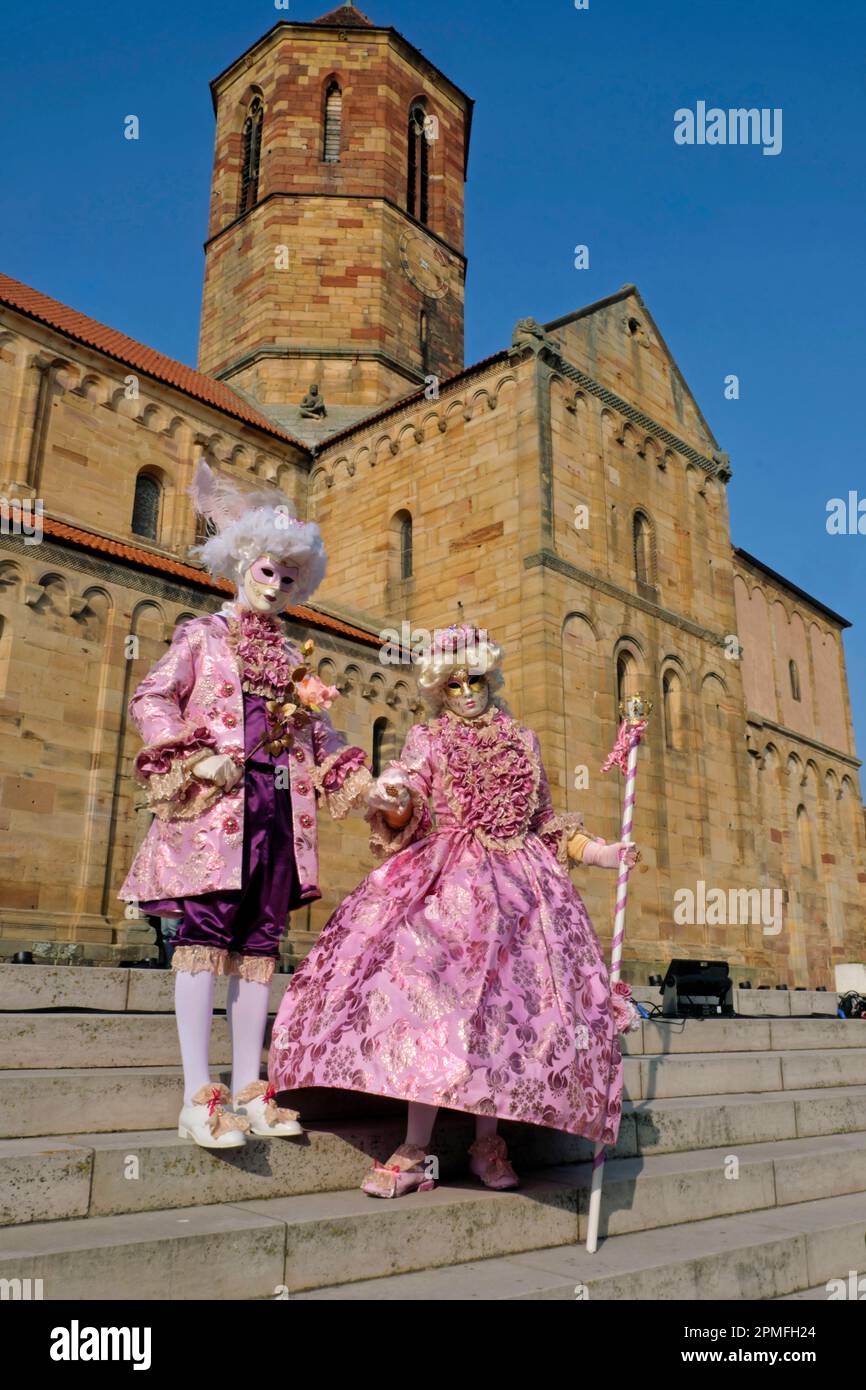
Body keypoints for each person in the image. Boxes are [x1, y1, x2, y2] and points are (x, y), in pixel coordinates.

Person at [268, 625, 640, 1196]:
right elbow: (408, 796)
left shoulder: (524, 739)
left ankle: (487, 1143)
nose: (467, 692)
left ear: (491, 678)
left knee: (500, 1011)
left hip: (522, 895)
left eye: (476, 680)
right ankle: (416, 1148)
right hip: (447, 888)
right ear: (441, 688)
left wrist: (601, 852)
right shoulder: (427, 738)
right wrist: (393, 797)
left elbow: (544, 822)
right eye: (454, 683)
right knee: (429, 1003)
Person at [119, 461, 371, 1150]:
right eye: (269, 572)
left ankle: (251, 1089)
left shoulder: (295, 661)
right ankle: (200, 1095)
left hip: (278, 813)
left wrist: (370, 784)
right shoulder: (203, 635)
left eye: (291, 578)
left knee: (260, 949)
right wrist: (189, 752)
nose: (279, 585)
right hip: (214, 810)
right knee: (205, 940)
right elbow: (152, 697)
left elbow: (325, 737)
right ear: (241, 566)